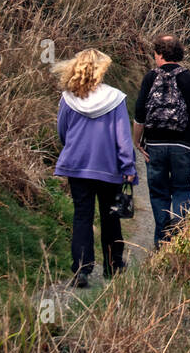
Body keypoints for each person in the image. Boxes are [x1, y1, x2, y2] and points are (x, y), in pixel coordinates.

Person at [52, 49, 139, 288]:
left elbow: (62, 131)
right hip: (109, 167)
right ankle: (113, 266)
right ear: (101, 70)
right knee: (111, 216)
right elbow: (123, 137)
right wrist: (128, 166)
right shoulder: (115, 98)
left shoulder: (68, 98)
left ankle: (81, 269)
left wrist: (74, 150)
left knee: (82, 216)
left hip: (78, 167)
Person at [133, 35, 190, 247]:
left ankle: (162, 241)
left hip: (155, 146)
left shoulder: (150, 78)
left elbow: (139, 114)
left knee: (159, 193)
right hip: (182, 146)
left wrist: (137, 142)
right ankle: (177, 233)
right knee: (183, 189)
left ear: (159, 54)